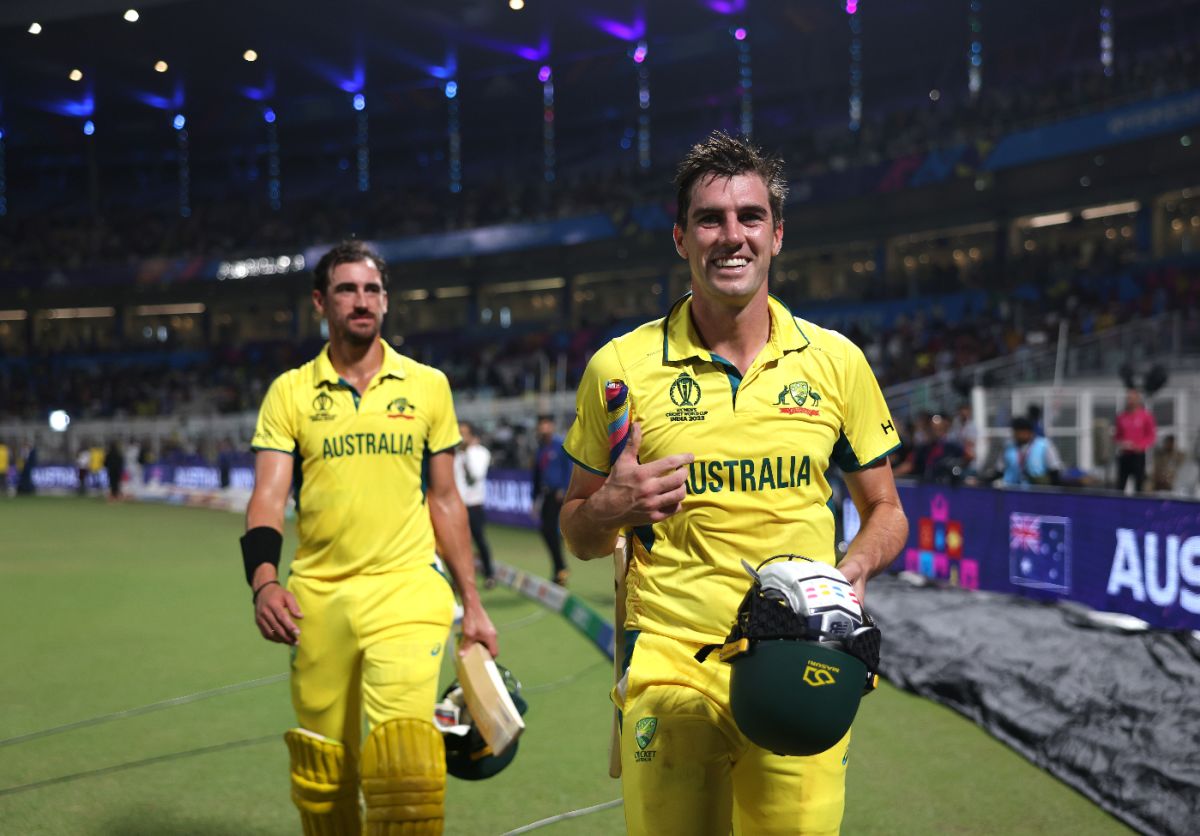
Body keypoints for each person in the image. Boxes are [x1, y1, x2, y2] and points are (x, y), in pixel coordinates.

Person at [559, 131, 908, 835]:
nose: (732, 236)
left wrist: (853, 571)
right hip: (671, 664)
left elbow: (887, 511)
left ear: (777, 235)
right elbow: (578, 534)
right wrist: (610, 508)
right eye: (711, 219)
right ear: (680, 236)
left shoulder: (837, 363)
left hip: (800, 660)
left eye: (750, 217)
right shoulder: (620, 369)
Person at [241, 240, 498, 836]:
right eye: (347, 289)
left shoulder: (429, 385)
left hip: (407, 592)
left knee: (404, 768)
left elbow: (445, 498)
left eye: (373, 290)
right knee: (323, 776)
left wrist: (473, 603)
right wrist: (264, 581)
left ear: (387, 301)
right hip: (317, 603)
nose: (363, 301)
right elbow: (267, 499)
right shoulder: (290, 393)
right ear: (320, 303)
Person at [454, 421, 496, 587]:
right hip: (458, 504)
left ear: (472, 436)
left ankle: (489, 573)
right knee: (458, 543)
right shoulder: (455, 454)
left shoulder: (480, 453)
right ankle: (460, 579)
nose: (460, 436)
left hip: (474, 504)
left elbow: (476, 474)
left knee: (479, 539)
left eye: (463, 433)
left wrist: (467, 454)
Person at [532, 414, 572, 586]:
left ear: (552, 426)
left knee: (550, 529)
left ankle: (560, 568)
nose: (543, 428)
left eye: (546, 424)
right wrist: (533, 498)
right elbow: (536, 475)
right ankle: (559, 567)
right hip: (545, 494)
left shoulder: (560, 445)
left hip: (558, 494)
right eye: (541, 425)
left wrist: (564, 488)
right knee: (546, 531)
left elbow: (568, 468)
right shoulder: (540, 449)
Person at [993, 416, 1062, 487]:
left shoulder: (1044, 445)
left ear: (1029, 432)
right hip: (1011, 490)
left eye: (1021, 432)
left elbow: (1054, 470)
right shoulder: (1008, 447)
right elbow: (999, 470)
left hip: (1036, 491)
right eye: (1015, 432)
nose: (1017, 435)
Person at [1114, 388, 1156, 493]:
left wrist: (1141, 446)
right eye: (1128, 398)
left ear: (1138, 400)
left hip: (1138, 455)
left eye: (1132, 398)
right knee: (1120, 484)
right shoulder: (1121, 417)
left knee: (1139, 484)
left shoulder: (1145, 416)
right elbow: (1117, 435)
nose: (1130, 401)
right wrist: (1121, 443)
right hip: (1125, 455)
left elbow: (1151, 436)